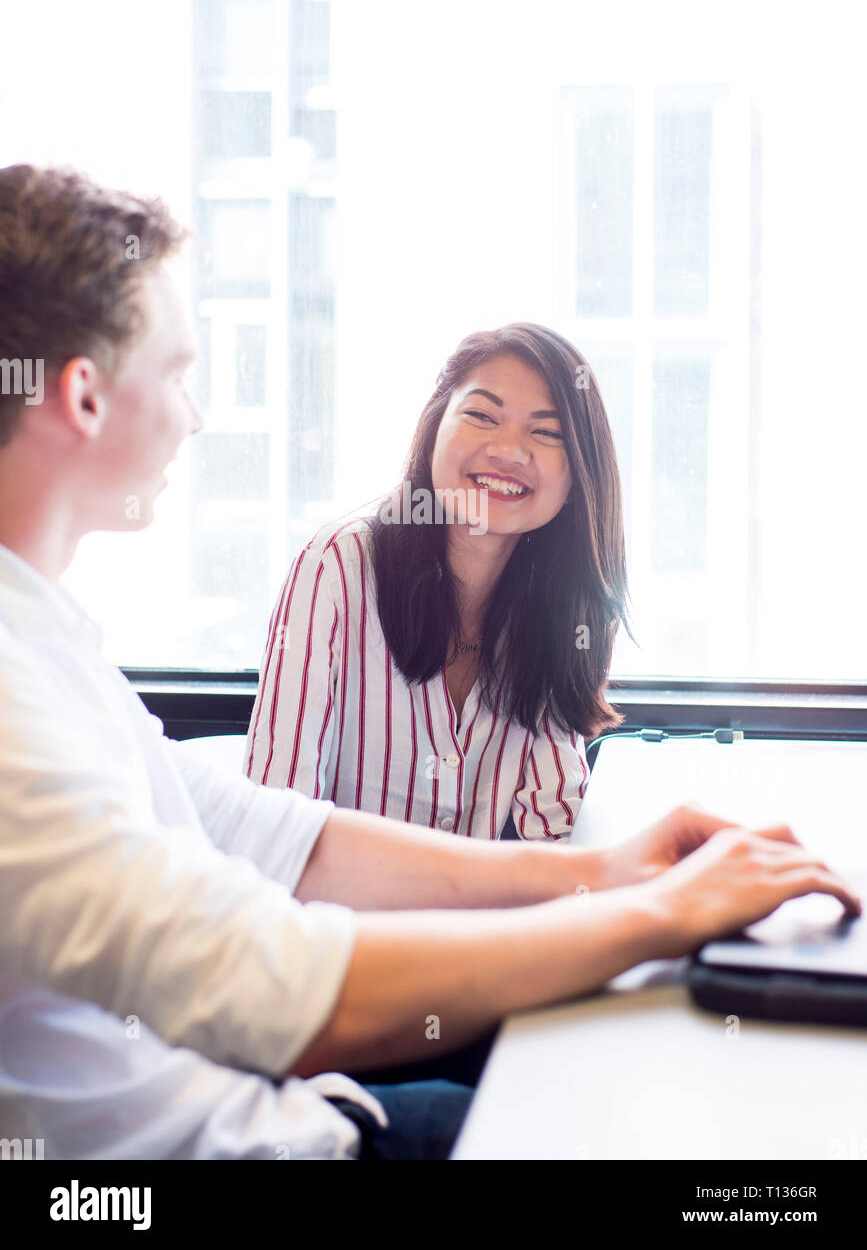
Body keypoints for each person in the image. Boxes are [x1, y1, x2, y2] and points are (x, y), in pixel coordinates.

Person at [0, 163, 860, 1162]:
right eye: (183, 374)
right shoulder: (21, 695)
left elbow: (278, 833)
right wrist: (660, 912)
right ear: (85, 398)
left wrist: (609, 872)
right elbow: (267, 978)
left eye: (544, 432)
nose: (196, 417)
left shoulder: (49, 638)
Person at [245, 322, 629, 841]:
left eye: (546, 432)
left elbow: (557, 833)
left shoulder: (561, 609)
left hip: (481, 922)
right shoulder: (336, 567)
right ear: (435, 427)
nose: (509, 451)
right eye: (481, 415)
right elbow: (272, 826)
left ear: (579, 474)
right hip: (338, 919)